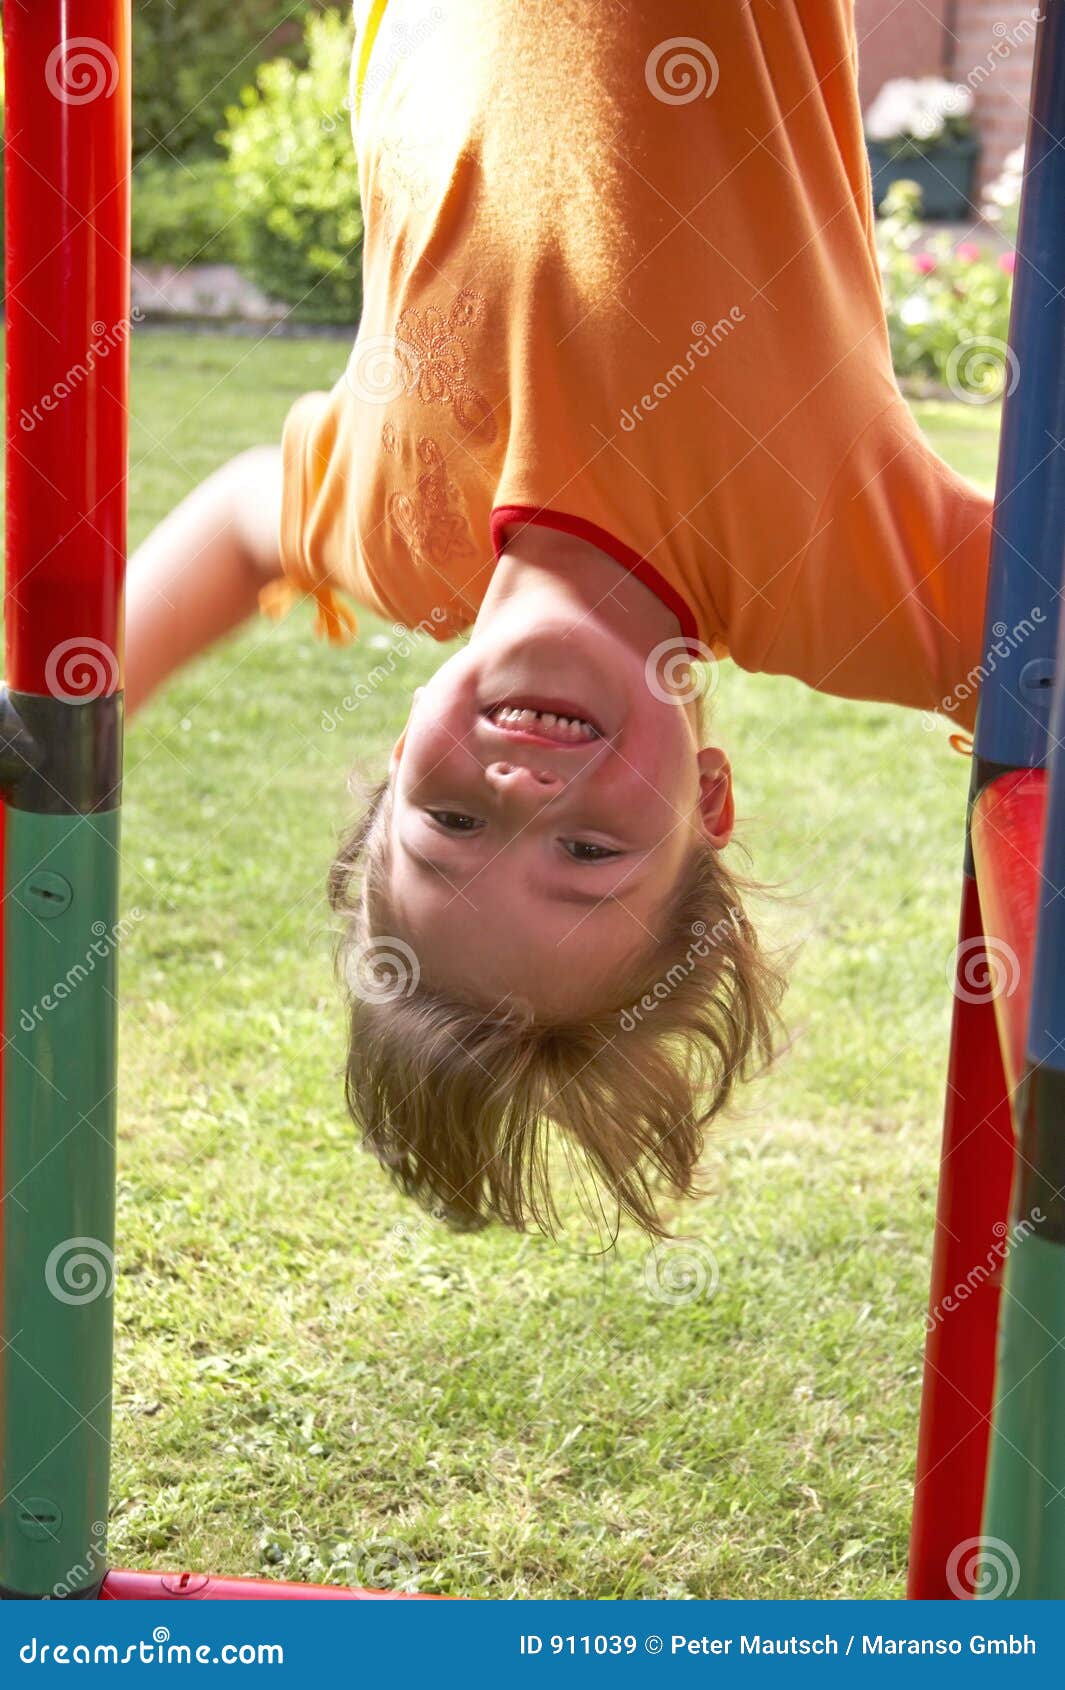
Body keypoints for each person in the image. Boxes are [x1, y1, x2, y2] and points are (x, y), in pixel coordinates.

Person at [126, 1, 993, 1235]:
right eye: (588, 857)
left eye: (453, 819)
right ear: (712, 799)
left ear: (398, 756)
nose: (527, 790)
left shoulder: (399, 535)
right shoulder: (839, 582)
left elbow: (236, 527)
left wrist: (61, 719)